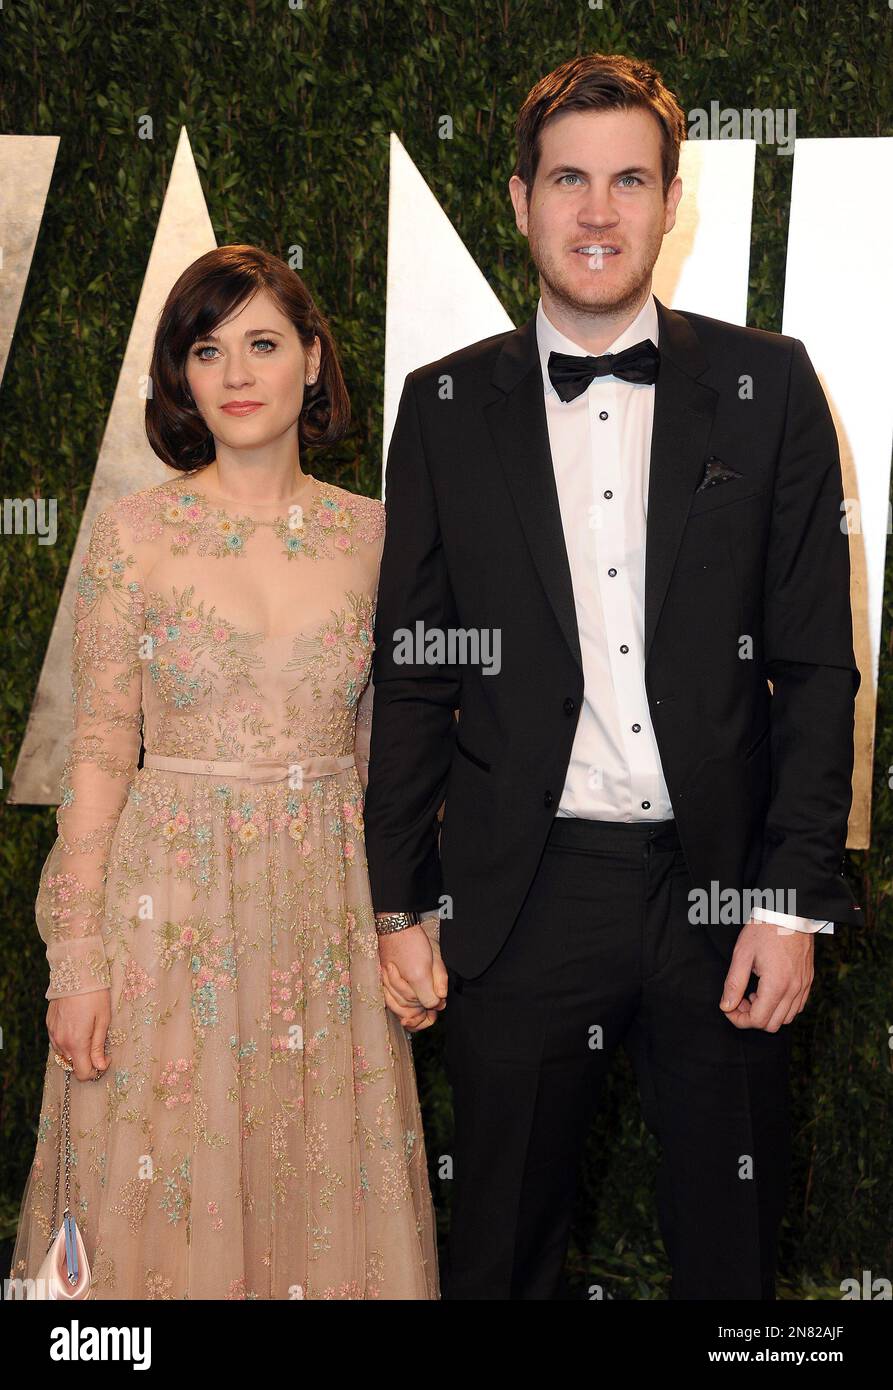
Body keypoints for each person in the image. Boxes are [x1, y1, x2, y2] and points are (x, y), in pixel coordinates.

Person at [364, 52, 862, 1299]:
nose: (598, 212)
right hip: (521, 897)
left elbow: (811, 665)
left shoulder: (767, 389)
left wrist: (790, 897)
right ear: (520, 199)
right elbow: (415, 671)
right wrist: (399, 901)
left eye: (628, 180)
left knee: (730, 1261)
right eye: (569, 180)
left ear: (669, 202)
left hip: (723, 893)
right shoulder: (439, 406)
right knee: (496, 1257)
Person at [11, 244, 439, 1300]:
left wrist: (408, 920)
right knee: (156, 1194)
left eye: (262, 342)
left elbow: (394, 757)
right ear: (183, 378)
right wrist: (79, 959)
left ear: (310, 360)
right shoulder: (136, 535)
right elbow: (103, 751)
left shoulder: (375, 537)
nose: (237, 372)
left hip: (325, 917)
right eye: (208, 349)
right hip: (167, 919)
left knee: (317, 1189)